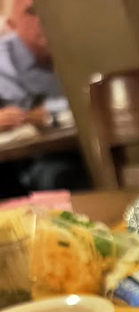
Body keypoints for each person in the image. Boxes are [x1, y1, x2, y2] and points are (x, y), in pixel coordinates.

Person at [0, 0, 89, 196]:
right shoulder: (4, 61)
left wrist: (47, 112)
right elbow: (22, 114)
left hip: (91, 145)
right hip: (38, 162)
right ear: (13, 24)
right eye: (31, 12)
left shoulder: (82, 43)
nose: (42, 19)